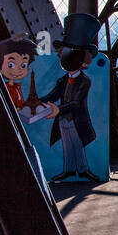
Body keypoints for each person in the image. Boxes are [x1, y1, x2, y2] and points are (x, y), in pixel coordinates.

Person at [39, 14, 102, 184]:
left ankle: (83, 170)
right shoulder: (64, 80)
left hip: (75, 119)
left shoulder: (84, 81)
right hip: (64, 119)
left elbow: (76, 102)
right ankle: (69, 170)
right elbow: (53, 94)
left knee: (78, 145)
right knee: (68, 145)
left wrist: (58, 110)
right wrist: (38, 100)